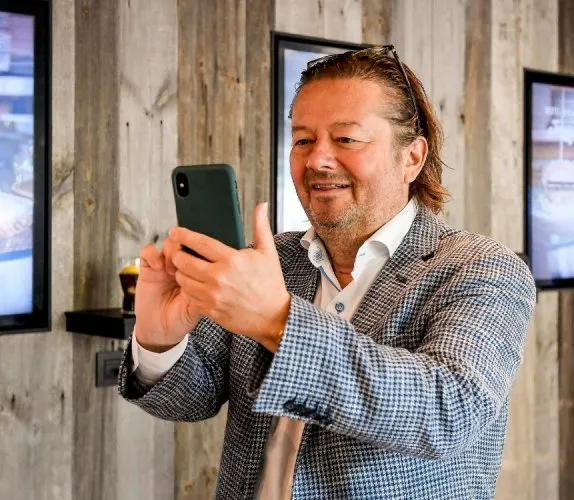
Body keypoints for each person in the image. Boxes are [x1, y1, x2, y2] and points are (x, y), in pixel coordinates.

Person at [118, 45, 536, 500]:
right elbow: (192, 398)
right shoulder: (271, 260)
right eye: (302, 140)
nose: (317, 160)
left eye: (346, 139)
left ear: (411, 158)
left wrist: (276, 320)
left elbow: (446, 412)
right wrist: (159, 341)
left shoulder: (481, 268)